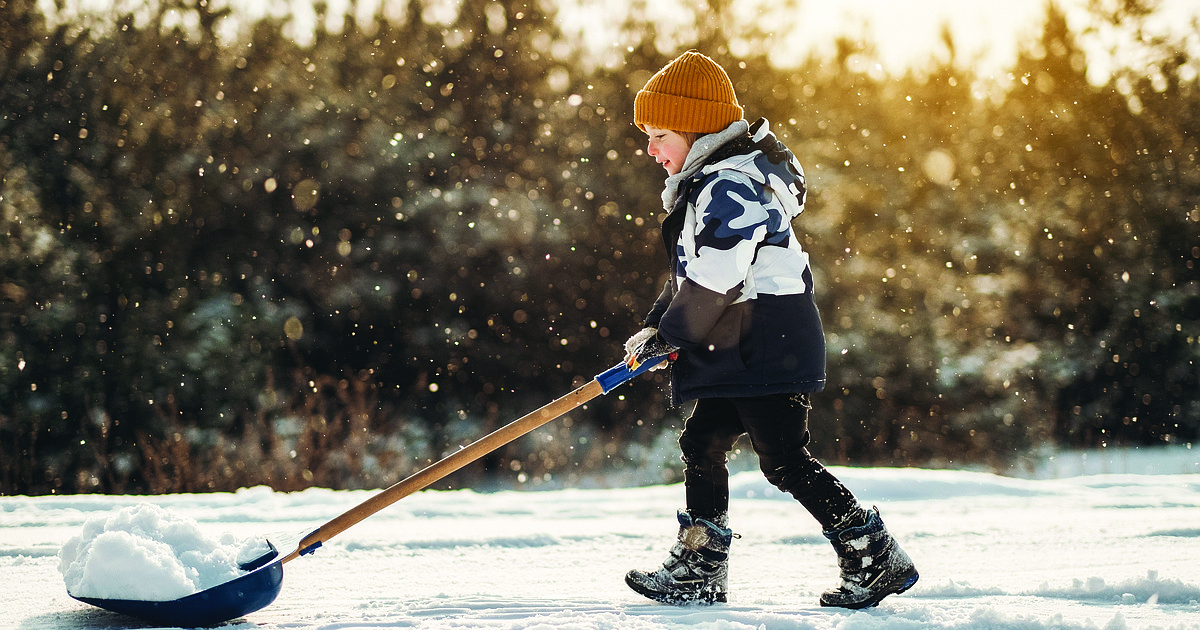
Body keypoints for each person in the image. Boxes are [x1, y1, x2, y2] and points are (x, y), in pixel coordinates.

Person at [620, 51, 919, 610]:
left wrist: (676, 333)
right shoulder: (710, 184)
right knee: (702, 443)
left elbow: (719, 273)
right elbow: (691, 273)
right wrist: (657, 326)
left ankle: (873, 555)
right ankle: (700, 566)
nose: (652, 149)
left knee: (782, 460)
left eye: (660, 134)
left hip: (767, 345)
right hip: (739, 344)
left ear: (697, 127)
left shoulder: (730, 186)